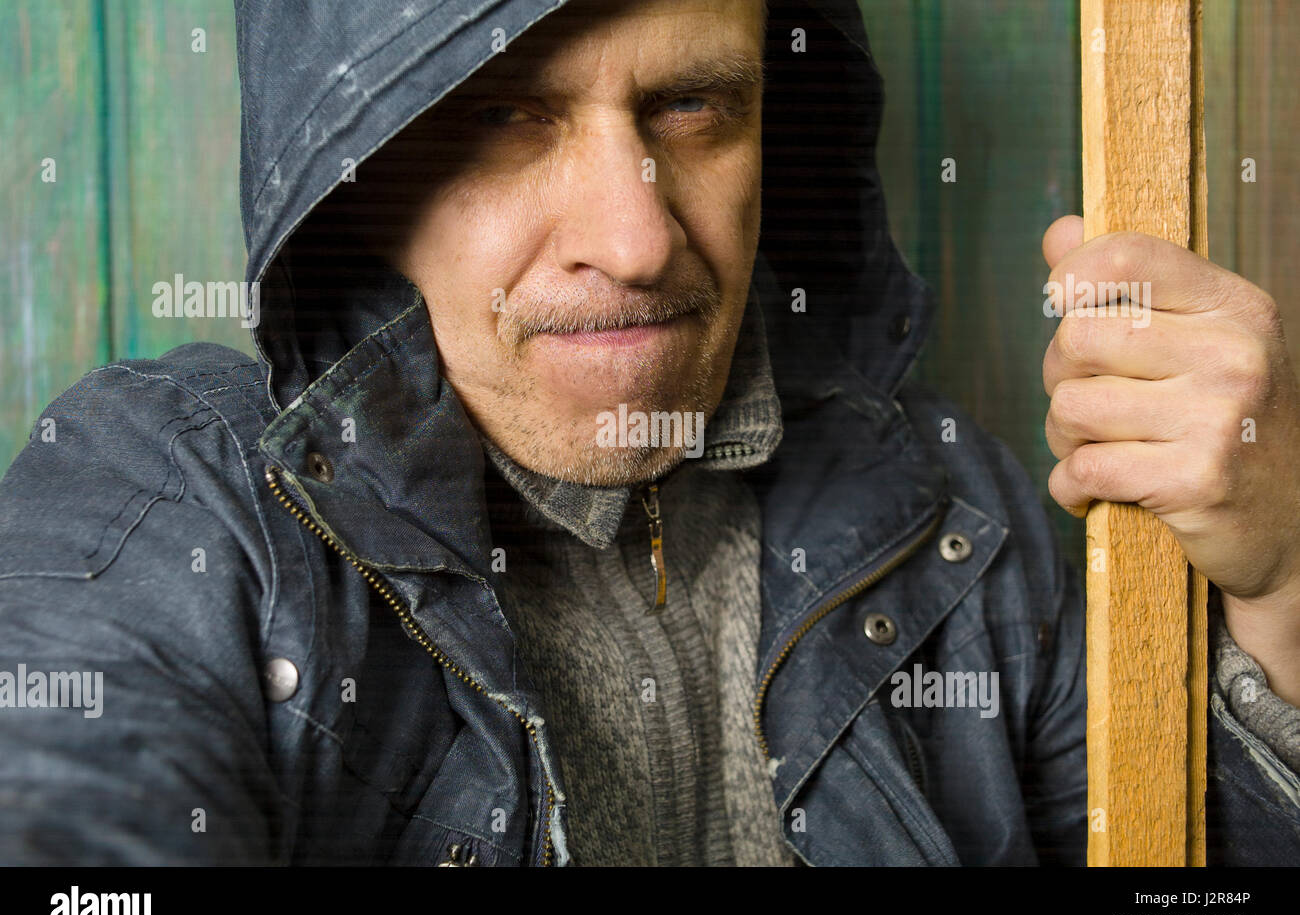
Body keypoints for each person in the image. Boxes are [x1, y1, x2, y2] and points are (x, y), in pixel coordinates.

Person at [1, 0, 1298, 866]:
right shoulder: (175, 503)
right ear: (354, 166)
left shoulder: (955, 516)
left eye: (691, 106)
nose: (635, 240)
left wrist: (1284, 589)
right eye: (506, 116)